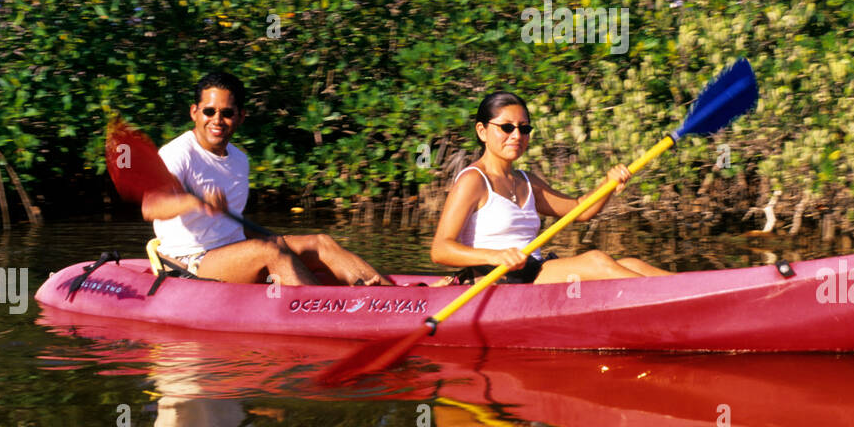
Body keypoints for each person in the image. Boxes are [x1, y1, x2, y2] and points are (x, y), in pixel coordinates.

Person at [142, 71, 391, 286]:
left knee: (321, 243)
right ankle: (324, 308)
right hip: (189, 262)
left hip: (233, 252)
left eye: (227, 113)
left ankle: (390, 298)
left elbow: (235, 227)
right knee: (270, 252)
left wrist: (279, 241)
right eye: (209, 111)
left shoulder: (240, 160)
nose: (217, 120)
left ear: (240, 116)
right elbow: (151, 207)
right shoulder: (177, 153)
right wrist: (196, 203)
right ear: (194, 112)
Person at [430, 91, 669, 284]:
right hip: (493, 279)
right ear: (482, 131)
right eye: (506, 127)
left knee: (631, 264)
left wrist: (607, 185)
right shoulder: (472, 180)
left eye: (524, 129)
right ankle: (672, 300)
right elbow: (440, 250)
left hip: (533, 272)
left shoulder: (527, 180)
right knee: (597, 260)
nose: (516, 135)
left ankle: (697, 290)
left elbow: (580, 210)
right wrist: (495, 255)